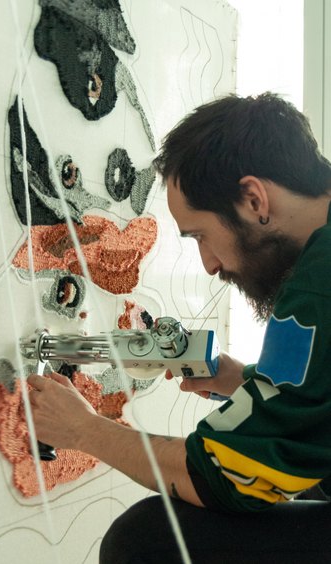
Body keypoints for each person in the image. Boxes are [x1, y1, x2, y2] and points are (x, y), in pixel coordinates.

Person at [27, 93, 331, 562]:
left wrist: (83, 430)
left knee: (148, 540)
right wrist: (242, 381)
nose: (209, 264)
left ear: (254, 199)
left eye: (200, 236)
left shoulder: (317, 283)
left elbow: (224, 475)